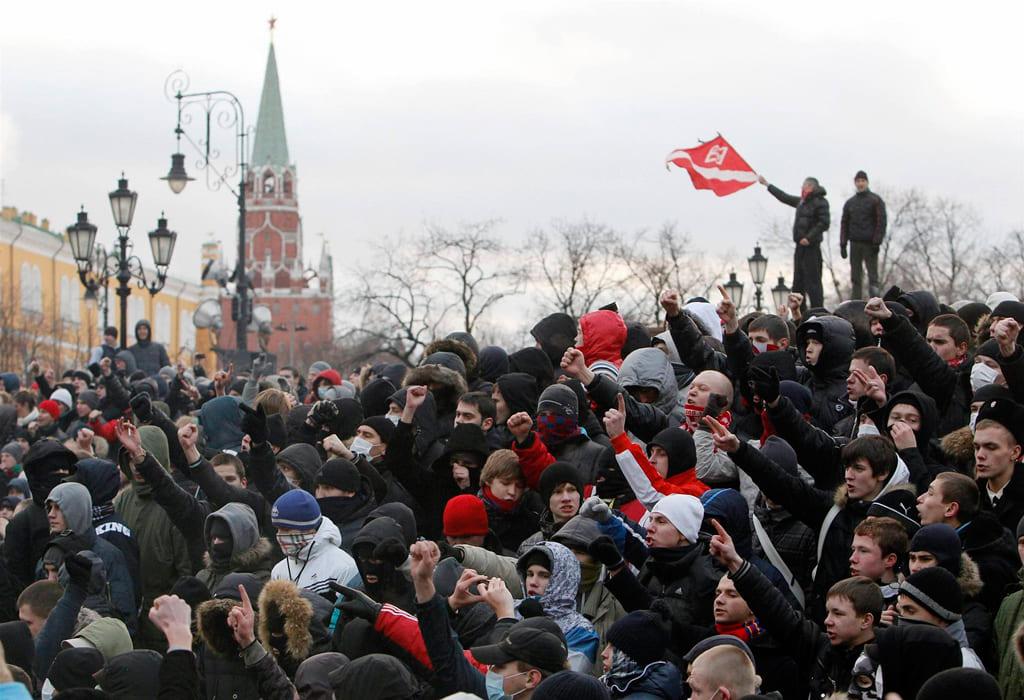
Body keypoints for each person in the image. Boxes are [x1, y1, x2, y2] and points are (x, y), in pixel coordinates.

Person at [757, 174, 830, 308]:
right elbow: (784, 197)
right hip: (800, 247)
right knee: (798, 282)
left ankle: (817, 310)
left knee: (813, 281)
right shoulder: (802, 202)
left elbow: (824, 223)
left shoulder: (820, 202)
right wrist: (768, 185)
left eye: (804, 185)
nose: (802, 188)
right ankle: (799, 311)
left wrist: (809, 237)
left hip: (812, 247)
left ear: (811, 187)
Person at [840, 171, 887, 299]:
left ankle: (875, 300)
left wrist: (877, 240)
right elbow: (844, 223)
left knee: (873, 276)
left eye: (863, 181)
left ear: (867, 182)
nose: (860, 184)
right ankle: (856, 301)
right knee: (855, 276)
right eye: (858, 181)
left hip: (870, 243)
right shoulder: (850, 203)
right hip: (854, 242)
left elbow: (881, 221)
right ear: (855, 183)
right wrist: (843, 244)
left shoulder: (875, 200)